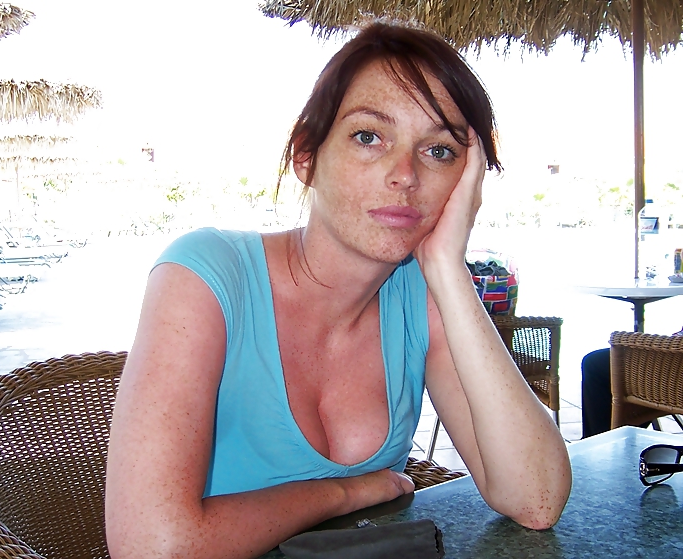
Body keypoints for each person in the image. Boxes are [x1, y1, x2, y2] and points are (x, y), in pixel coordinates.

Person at [105, 21, 571, 559]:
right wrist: (345, 493)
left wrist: (447, 267)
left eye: (440, 151)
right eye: (368, 137)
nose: (405, 174)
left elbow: (536, 500)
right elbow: (152, 548)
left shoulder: (421, 297)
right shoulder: (206, 277)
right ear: (307, 156)